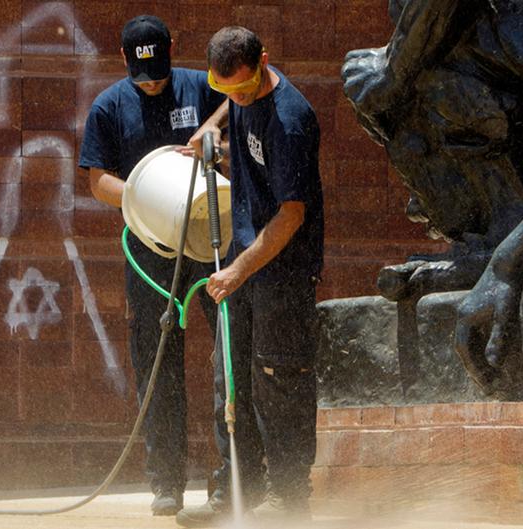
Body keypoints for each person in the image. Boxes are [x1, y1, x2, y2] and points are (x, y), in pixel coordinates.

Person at [77, 14, 226, 516]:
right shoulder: (109, 106)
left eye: (159, 72)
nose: (154, 83)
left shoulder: (198, 86)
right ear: (123, 60)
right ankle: (166, 481)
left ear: (172, 50)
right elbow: (97, 180)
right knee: (159, 362)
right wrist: (144, 198)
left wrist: (212, 130)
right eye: (143, 76)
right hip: (150, 248)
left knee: (230, 352)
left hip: (209, 240)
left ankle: (230, 477)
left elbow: (237, 100)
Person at [176, 26, 325, 527]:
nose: (236, 97)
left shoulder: (291, 121)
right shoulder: (235, 95)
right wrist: (213, 126)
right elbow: (229, 101)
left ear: (264, 60)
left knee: (278, 379)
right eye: (225, 91)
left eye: (243, 88)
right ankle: (237, 490)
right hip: (243, 258)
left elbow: (291, 215)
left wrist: (238, 269)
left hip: (283, 268)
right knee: (230, 376)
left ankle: (288, 496)